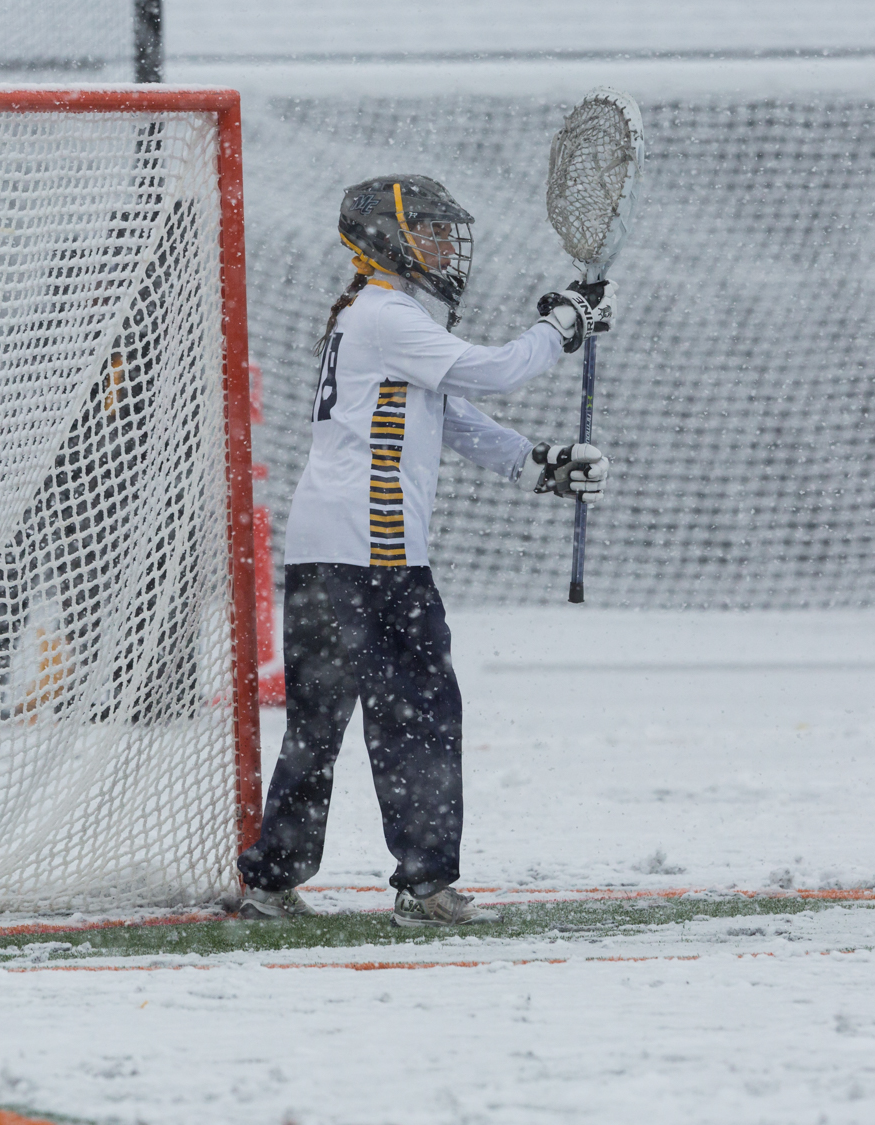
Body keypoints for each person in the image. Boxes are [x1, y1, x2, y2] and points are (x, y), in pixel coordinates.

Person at [235, 174, 611, 927]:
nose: (444, 244)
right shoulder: (385, 315)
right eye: (431, 230)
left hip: (335, 555)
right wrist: (563, 325)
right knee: (414, 714)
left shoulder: (376, 318)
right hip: (369, 556)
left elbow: (454, 413)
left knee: (333, 720)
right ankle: (415, 882)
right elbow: (492, 371)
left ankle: (279, 879)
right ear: (386, 238)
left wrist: (532, 464)